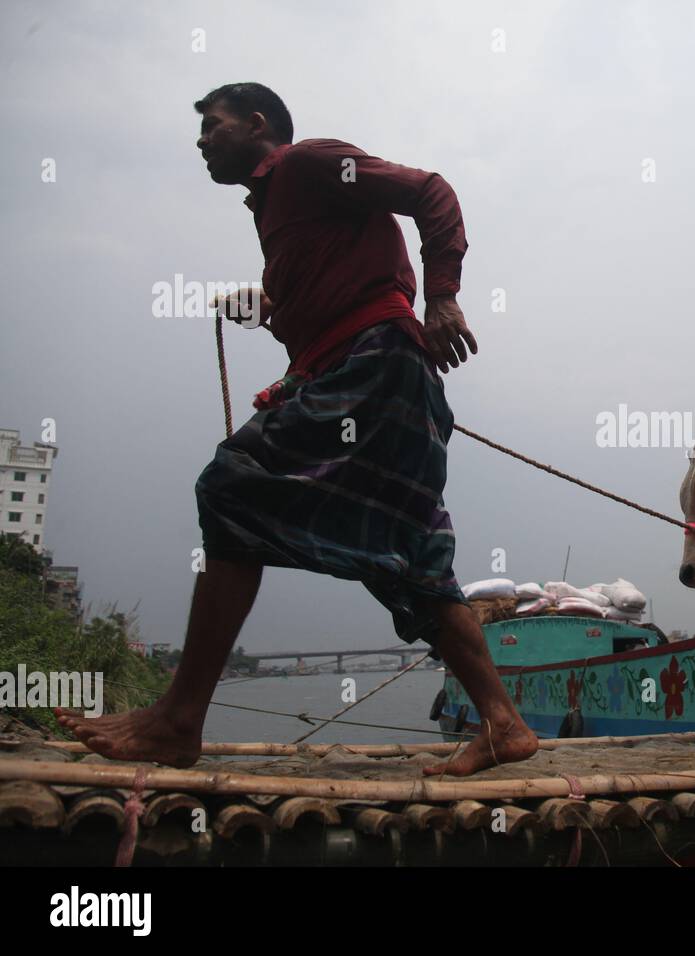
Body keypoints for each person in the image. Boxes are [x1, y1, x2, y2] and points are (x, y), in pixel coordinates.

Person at [58, 83, 537, 776]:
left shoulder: (307, 166)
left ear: (257, 125)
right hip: (377, 377)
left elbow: (432, 191)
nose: (200, 141)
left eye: (212, 127)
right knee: (413, 556)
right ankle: (503, 723)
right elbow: (329, 301)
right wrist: (281, 330)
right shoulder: (277, 216)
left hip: (375, 368)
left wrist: (443, 297)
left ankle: (178, 719)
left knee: (231, 486)